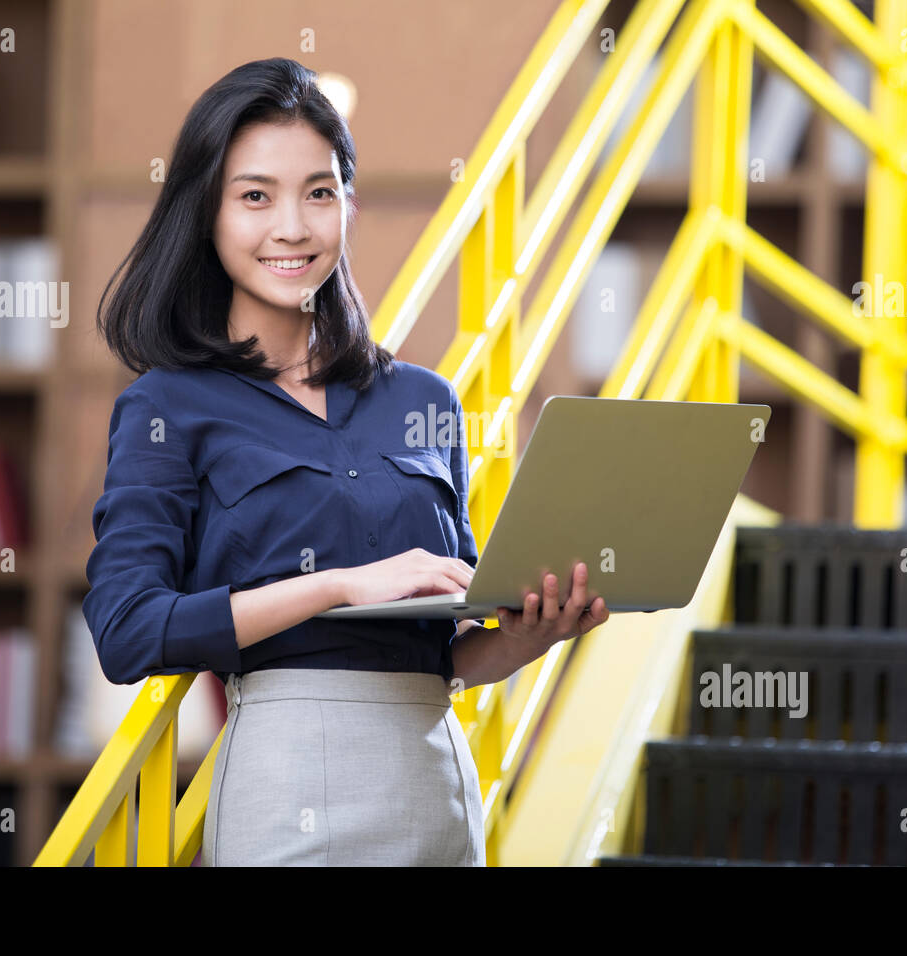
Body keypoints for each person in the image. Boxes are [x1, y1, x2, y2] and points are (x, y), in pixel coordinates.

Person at [82, 57, 610, 867]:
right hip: (286, 789)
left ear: (346, 205)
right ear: (207, 214)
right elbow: (127, 630)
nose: (292, 226)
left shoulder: (423, 399)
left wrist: (531, 637)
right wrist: (338, 586)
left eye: (319, 192)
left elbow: (445, 653)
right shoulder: (169, 406)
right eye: (256, 195)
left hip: (435, 783)